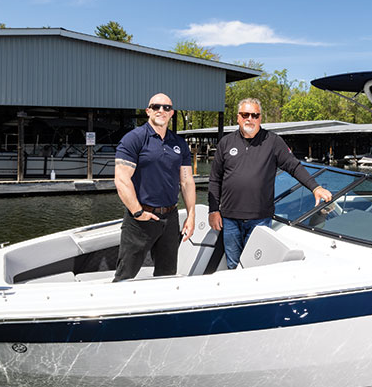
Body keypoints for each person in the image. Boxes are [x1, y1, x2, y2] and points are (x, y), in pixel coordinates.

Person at [208, 97, 331, 269]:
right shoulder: (226, 143)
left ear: (260, 118)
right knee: (233, 265)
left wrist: (315, 187)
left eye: (255, 115)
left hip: (260, 219)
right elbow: (215, 179)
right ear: (238, 117)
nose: (249, 119)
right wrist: (213, 210)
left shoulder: (273, 141)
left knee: (256, 268)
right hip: (229, 219)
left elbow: (293, 166)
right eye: (245, 115)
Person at [113, 93, 196, 281]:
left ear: (172, 113)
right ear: (148, 110)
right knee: (125, 276)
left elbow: (187, 181)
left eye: (166, 108)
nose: (161, 111)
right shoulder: (134, 139)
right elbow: (122, 180)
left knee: (166, 276)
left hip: (170, 217)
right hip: (141, 219)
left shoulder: (179, 143)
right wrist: (137, 212)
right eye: (156, 107)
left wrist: (191, 216)